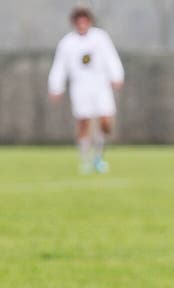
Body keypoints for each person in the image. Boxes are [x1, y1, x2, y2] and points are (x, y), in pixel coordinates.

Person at [49, 7, 124, 174]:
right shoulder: (67, 42)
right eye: (78, 21)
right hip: (80, 87)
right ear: (74, 23)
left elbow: (111, 57)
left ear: (89, 21)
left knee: (105, 122)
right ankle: (85, 160)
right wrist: (56, 86)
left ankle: (98, 156)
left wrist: (117, 75)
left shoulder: (100, 38)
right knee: (83, 123)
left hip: (101, 85)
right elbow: (60, 66)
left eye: (84, 20)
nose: (82, 24)